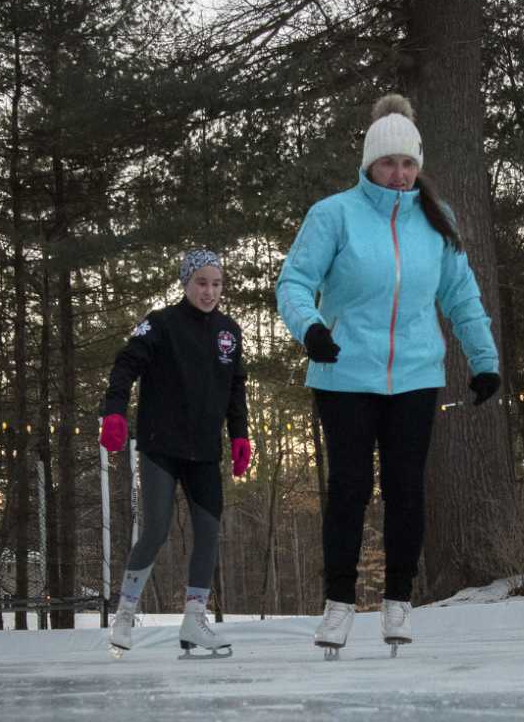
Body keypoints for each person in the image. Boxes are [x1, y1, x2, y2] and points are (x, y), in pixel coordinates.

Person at [276, 94, 502, 659]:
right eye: (388, 163)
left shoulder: (437, 218)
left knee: (406, 488)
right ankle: (338, 603)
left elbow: (461, 295)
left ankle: (399, 599)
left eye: (407, 164)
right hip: (344, 372)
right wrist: (311, 329)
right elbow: (294, 282)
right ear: (369, 164)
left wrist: (484, 360)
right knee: (350, 489)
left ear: (417, 165)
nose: (399, 174)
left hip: (416, 375)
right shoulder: (334, 214)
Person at [99, 249, 253, 658]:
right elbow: (126, 363)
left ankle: (194, 620)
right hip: (161, 445)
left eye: (216, 284)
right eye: (201, 283)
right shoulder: (161, 323)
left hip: (205, 450)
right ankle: (125, 614)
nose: (209, 291)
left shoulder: (229, 332)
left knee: (209, 531)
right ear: (186, 283)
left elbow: (236, 389)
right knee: (156, 528)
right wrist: (114, 410)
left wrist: (240, 435)